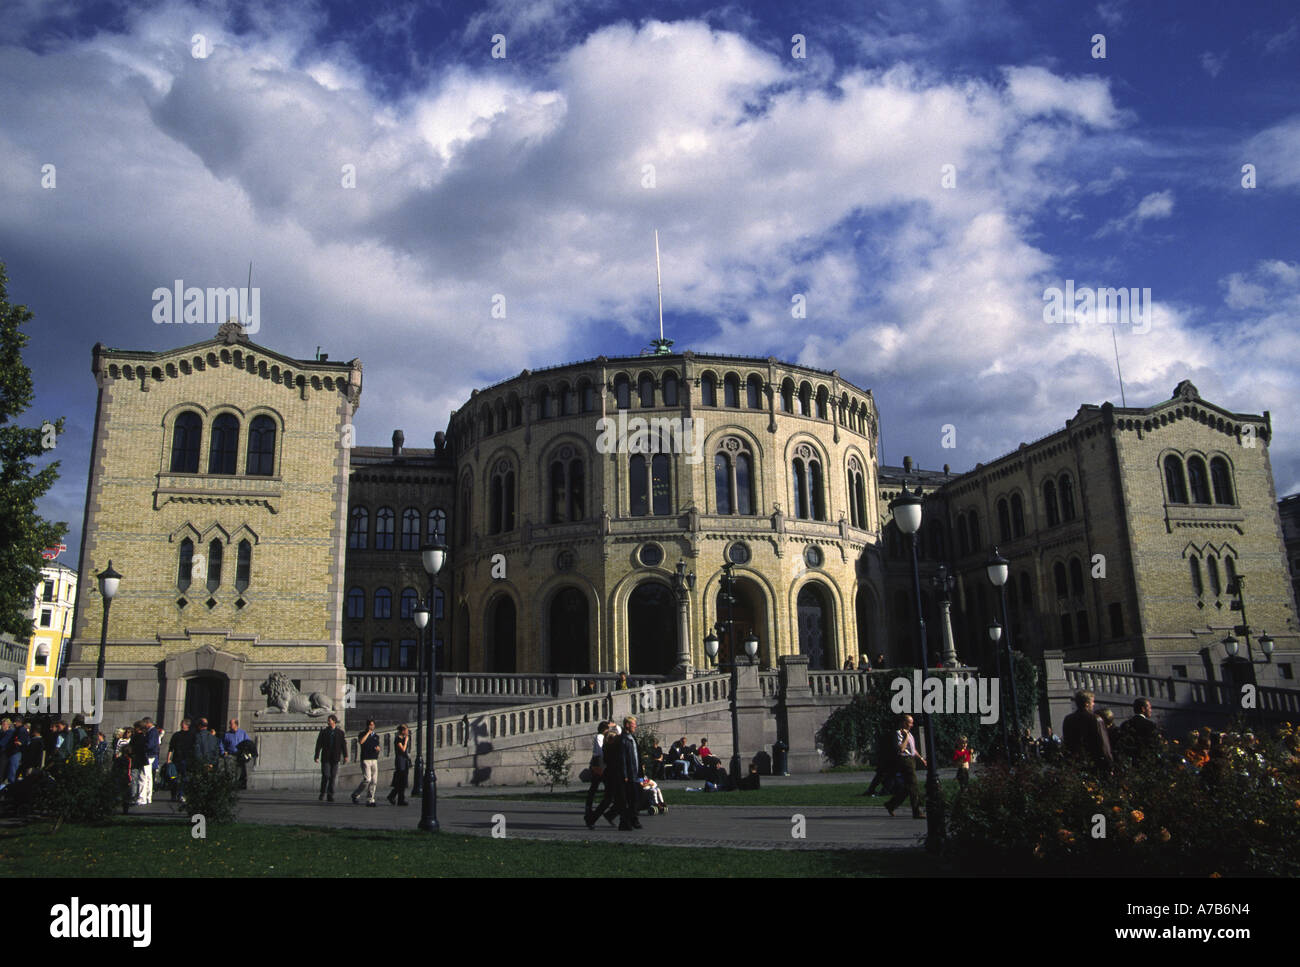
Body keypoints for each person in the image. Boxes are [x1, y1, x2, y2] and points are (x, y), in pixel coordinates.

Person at [884, 714, 926, 818]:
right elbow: (901, 748)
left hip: (911, 760)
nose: (912, 725)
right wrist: (906, 736)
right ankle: (916, 811)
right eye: (910, 722)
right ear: (904, 723)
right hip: (904, 760)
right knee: (913, 784)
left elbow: (912, 749)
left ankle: (891, 804)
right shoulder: (899, 733)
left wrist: (921, 758)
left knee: (908, 788)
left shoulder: (910, 734)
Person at [1061, 690, 1113, 774]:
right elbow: (1103, 743)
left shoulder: (1068, 719)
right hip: (1094, 763)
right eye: (1092, 702)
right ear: (1087, 704)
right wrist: (1109, 764)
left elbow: (1067, 742)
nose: (1094, 704)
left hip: (1075, 763)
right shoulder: (1095, 719)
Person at [613, 716, 643, 831]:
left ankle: (632, 819)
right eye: (633, 724)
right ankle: (626, 822)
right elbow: (622, 759)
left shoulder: (632, 738)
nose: (635, 726)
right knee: (628, 799)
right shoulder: (623, 739)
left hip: (635, 774)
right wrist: (624, 775)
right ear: (627, 725)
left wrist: (641, 772)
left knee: (636, 798)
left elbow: (637, 757)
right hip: (628, 775)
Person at [1117, 698, 1163, 763]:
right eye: (1149, 708)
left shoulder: (1125, 724)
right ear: (1143, 709)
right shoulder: (1150, 725)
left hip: (1130, 761)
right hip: (1146, 761)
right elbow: (1155, 744)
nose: (1151, 710)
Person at [314, 714, 348, 801]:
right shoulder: (324, 732)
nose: (328, 722)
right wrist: (316, 756)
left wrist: (345, 756)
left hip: (335, 757)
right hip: (326, 757)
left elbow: (343, 745)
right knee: (326, 775)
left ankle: (330, 794)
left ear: (334, 721)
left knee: (333, 776)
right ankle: (322, 792)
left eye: (329, 720)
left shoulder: (340, 733)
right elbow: (319, 745)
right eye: (328, 720)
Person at [583, 721, 610, 828]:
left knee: (595, 786)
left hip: (600, 762)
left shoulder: (601, 737)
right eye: (607, 729)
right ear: (604, 729)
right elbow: (600, 750)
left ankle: (589, 807)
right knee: (596, 785)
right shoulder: (599, 737)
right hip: (599, 763)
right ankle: (589, 807)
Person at [352, 719, 380, 806]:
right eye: (370, 725)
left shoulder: (376, 736)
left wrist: (378, 749)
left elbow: (377, 746)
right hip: (366, 759)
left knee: (374, 780)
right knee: (367, 779)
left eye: (372, 725)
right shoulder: (362, 734)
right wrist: (367, 733)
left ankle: (370, 799)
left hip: (374, 759)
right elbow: (361, 742)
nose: (371, 726)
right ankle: (356, 794)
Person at [166, 718, 195, 803]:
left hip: (185, 759)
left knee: (183, 778)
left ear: (186, 725)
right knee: (175, 778)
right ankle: (176, 794)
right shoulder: (177, 735)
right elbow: (171, 748)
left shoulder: (191, 735)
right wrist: (168, 759)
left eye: (182, 723)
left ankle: (180, 794)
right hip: (177, 759)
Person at [388, 724, 411, 805]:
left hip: (404, 760)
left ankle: (398, 797)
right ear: (403, 731)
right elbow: (403, 749)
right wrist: (406, 741)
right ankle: (395, 796)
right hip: (400, 760)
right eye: (406, 730)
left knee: (403, 781)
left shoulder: (403, 738)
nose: (407, 732)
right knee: (401, 779)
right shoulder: (398, 739)